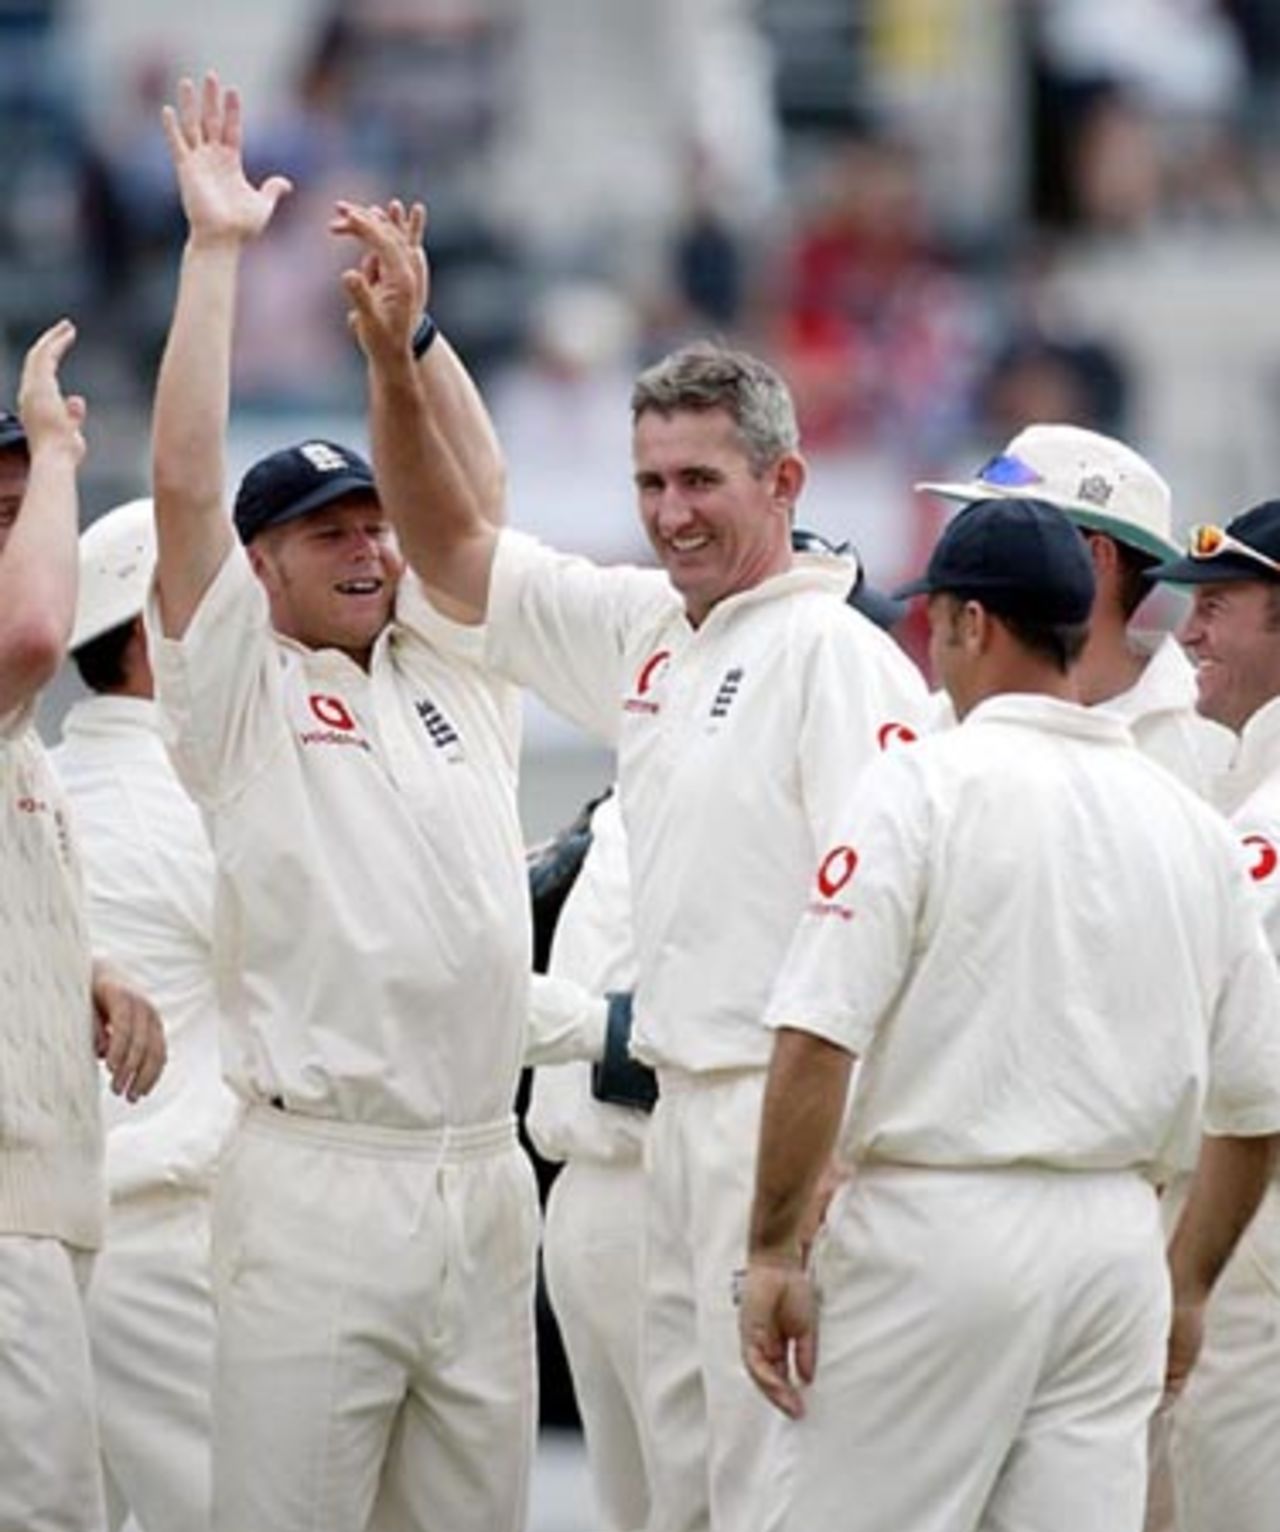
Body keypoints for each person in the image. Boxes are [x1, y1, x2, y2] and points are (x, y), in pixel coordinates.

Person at [336, 200, 930, 1532]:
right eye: (651, 485)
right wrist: (401, 352)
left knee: (774, 1494)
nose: (670, 515)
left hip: (784, 1134)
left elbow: (892, 931)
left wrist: (819, 1177)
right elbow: (450, 551)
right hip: (671, 1132)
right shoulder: (656, 634)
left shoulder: (836, 658)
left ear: (784, 483)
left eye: (702, 483)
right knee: (674, 1506)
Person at [147, 74, 538, 1532]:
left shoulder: (453, 662)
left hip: (481, 1174)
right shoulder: (236, 691)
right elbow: (187, 487)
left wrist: (411, 341)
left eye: (373, 521)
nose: (371, 549)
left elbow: (474, 496)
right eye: (330, 533)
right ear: (265, 568)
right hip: (321, 1176)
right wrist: (218, 256)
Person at [738, 496, 1280, 1532]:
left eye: (937, 618)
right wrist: (1187, 1283)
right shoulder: (1186, 818)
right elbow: (1252, 1103)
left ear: (970, 623)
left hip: (937, 1225)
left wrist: (768, 1249)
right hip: (1113, 1242)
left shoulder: (917, 783)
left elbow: (815, 1033)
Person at [0, 324, 166, 1531]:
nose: (26, 532)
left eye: (27, 506)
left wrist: (81, 965)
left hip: (44, 1201)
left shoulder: (24, 749)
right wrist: (58, 454)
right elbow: (31, 635)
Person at [51, 497, 239, 1532]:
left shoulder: (66, 776)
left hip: (83, 1225)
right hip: (159, 1233)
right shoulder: (169, 803)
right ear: (153, 632)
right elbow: (340, 966)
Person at [1148, 502, 1280, 1532]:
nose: (1188, 631)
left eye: (1218, 605)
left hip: (1252, 1223)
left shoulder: (1262, 818)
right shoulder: (1243, 781)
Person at [919, 421, 1234, 791]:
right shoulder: (935, 721)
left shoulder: (1210, 745)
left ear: (1096, 556)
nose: (983, 549)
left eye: (1014, 530)